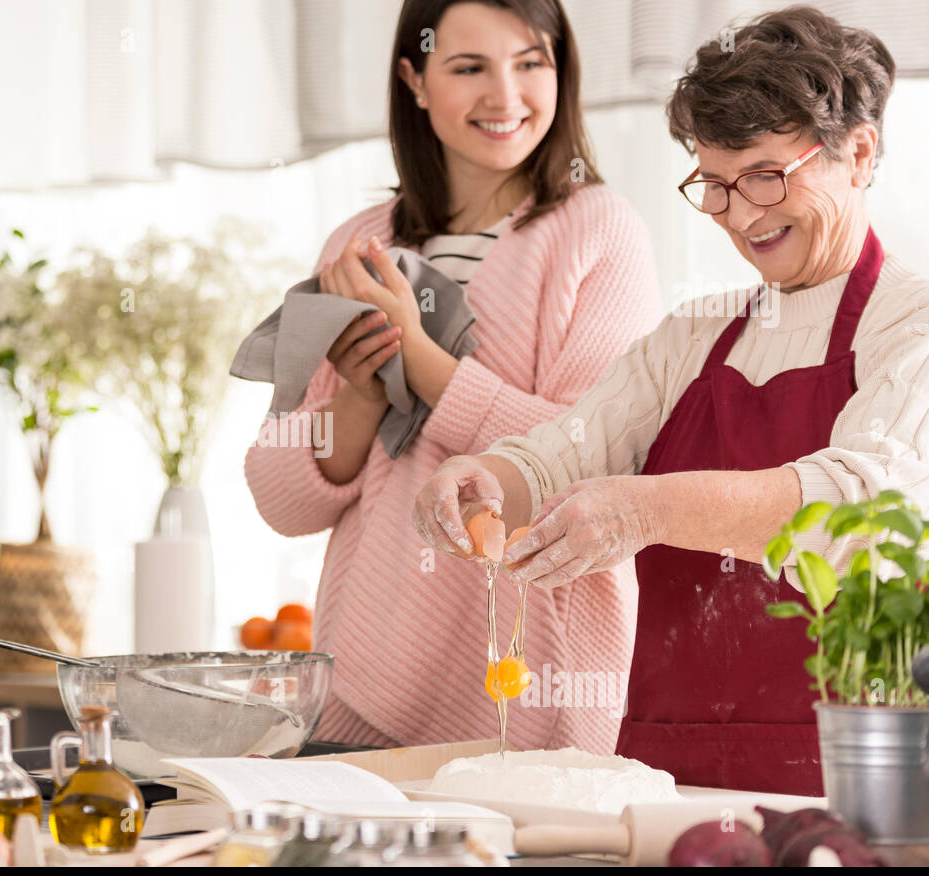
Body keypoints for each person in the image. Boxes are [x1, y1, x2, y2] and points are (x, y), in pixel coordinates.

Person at [413, 6, 928, 796]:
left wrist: (650, 512)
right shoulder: (692, 335)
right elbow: (562, 453)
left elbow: (855, 506)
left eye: (765, 176)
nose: (743, 215)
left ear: (858, 152)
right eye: (714, 186)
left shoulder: (912, 323)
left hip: (852, 786)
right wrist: (486, 481)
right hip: (664, 788)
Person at [245, 0, 662, 752]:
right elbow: (281, 496)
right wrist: (365, 390)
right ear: (415, 79)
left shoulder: (599, 230)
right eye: (468, 68)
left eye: (531, 63)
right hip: (361, 683)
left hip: (533, 685)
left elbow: (596, 456)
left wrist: (421, 357)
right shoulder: (359, 245)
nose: (505, 96)